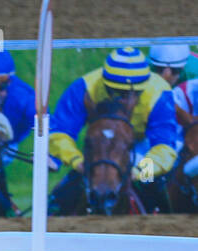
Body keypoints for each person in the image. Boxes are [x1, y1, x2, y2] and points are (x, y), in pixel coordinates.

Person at [48, 46, 180, 214]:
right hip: (100, 144)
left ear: (143, 88)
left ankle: (167, 223)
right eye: (116, 92)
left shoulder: (159, 93)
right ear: (105, 85)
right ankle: (51, 212)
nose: (123, 100)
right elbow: (60, 132)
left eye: (132, 94)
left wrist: (140, 172)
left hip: (141, 144)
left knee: (153, 181)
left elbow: (165, 147)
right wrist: (76, 161)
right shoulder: (85, 87)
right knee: (69, 187)